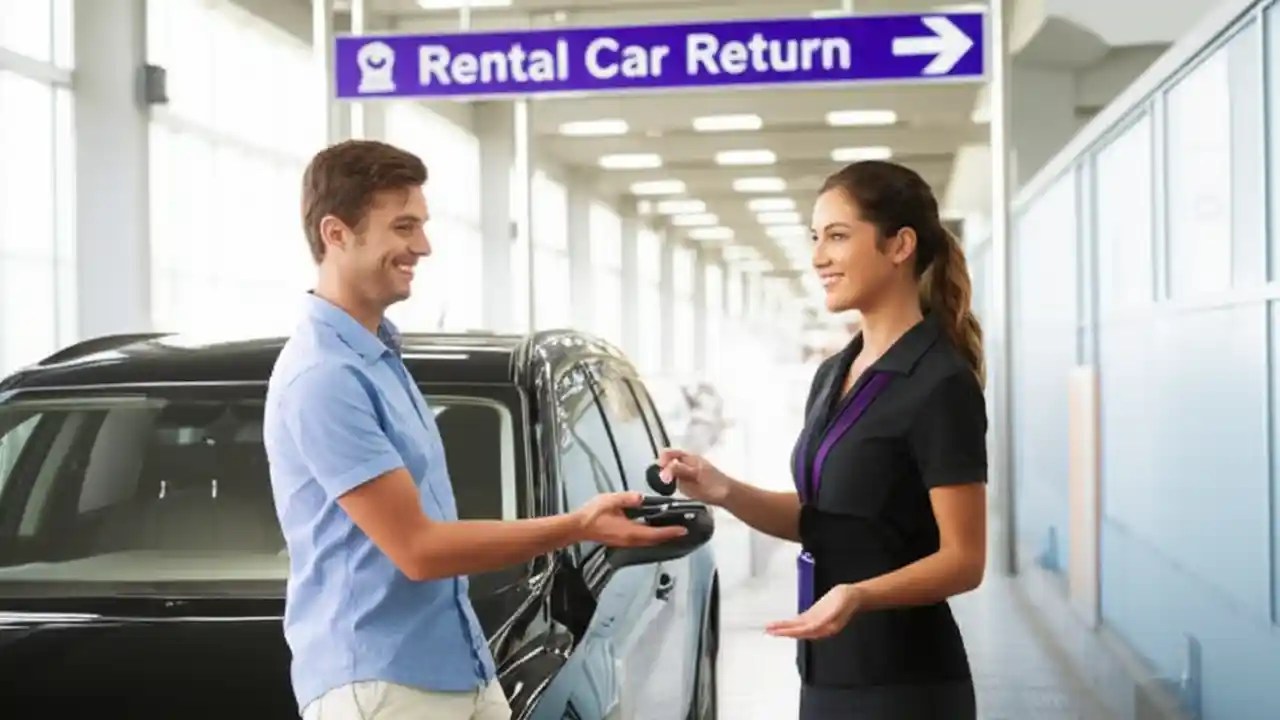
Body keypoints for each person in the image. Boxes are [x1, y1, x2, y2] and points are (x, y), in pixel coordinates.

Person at [263, 139, 686, 720]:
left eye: (422, 226)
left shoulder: (377, 358)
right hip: (382, 689)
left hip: (452, 669)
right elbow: (417, 549)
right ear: (336, 234)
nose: (423, 246)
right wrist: (578, 526)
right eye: (403, 226)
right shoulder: (323, 377)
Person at [657, 160, 988, 719]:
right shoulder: (837, 372)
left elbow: (964, 560)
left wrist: (861, 593)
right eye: (815, 238)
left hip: (904, 685)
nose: (818, 258)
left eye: (837, 236)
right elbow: (823, 518)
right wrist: (723, 489)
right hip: (826, 671)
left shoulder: (939, 383)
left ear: (899, 245)